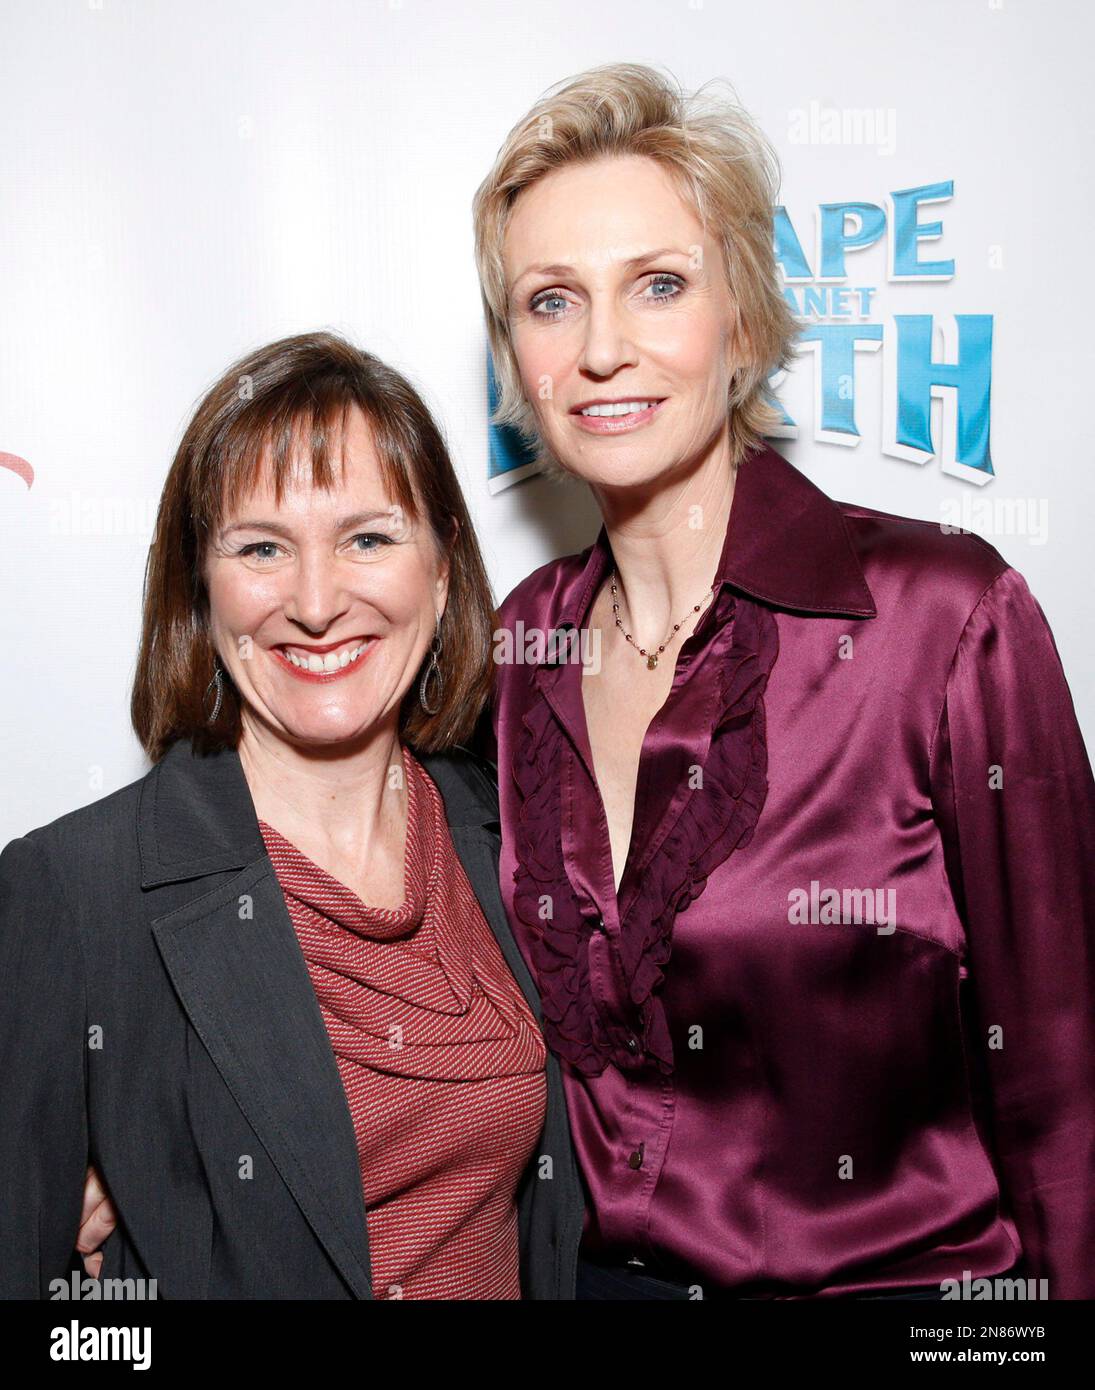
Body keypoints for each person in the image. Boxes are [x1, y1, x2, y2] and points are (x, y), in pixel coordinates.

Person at [470, 63, 1095, 1298]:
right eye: (551, 301)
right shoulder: (521, 643)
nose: (602, 348)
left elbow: (1065, 1086)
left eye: (659, 284)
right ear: (517, 359)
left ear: (745, 322)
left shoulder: (940, 619)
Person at [0, 331, 584, 1300]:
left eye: (368, 537)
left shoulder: (514, 835)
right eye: (263, 547)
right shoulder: (76, 889)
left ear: (441, 569)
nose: (317, 602)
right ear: (202, 584)